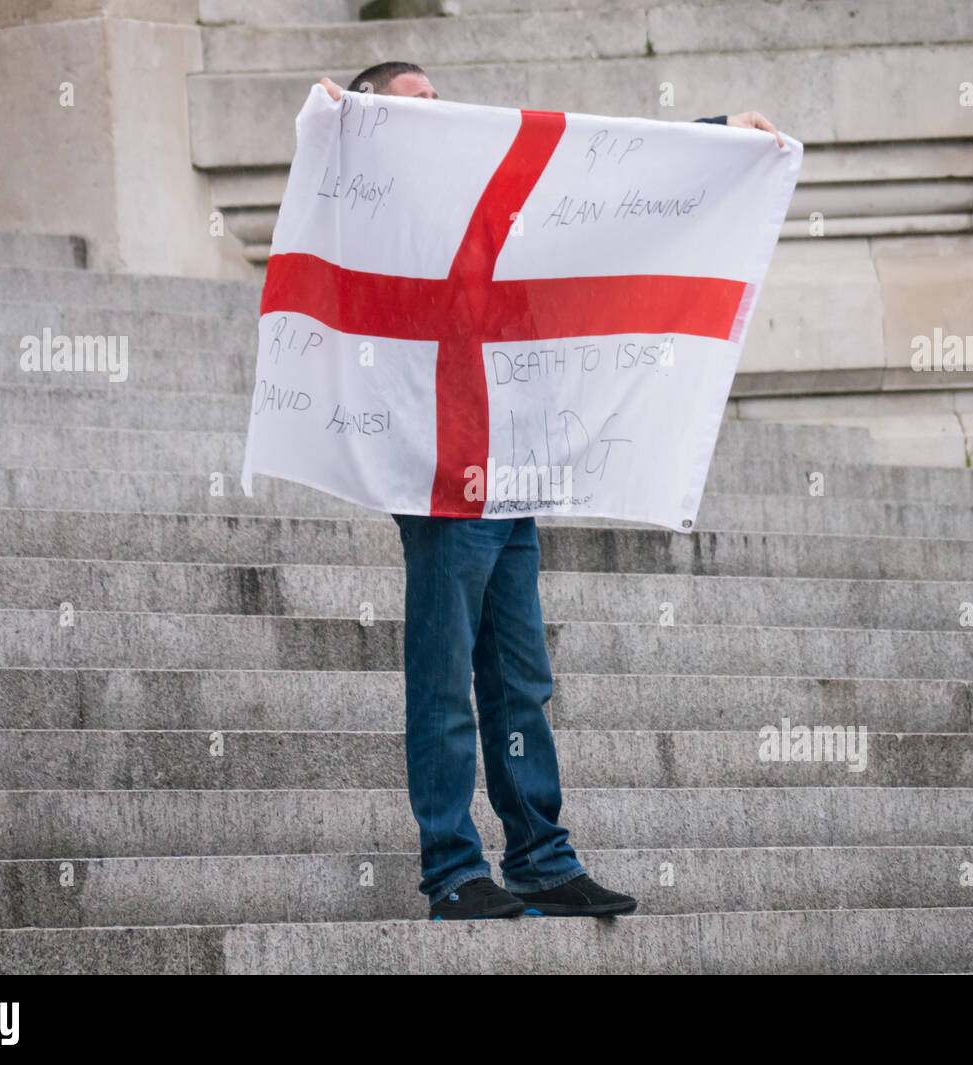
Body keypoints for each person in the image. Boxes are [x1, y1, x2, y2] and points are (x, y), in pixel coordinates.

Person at [316, 62, 782, 920]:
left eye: (439, 97)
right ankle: (453, 869)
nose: (439, 110)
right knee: (445, 677)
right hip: (438, 468)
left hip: (511, 465)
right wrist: (342, 123)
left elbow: (597, 176)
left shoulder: (488, 191)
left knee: (518, 678)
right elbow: (339, 185)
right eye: (418, 102)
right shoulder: (379, 194)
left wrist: (714, 135)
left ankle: (538, 855)